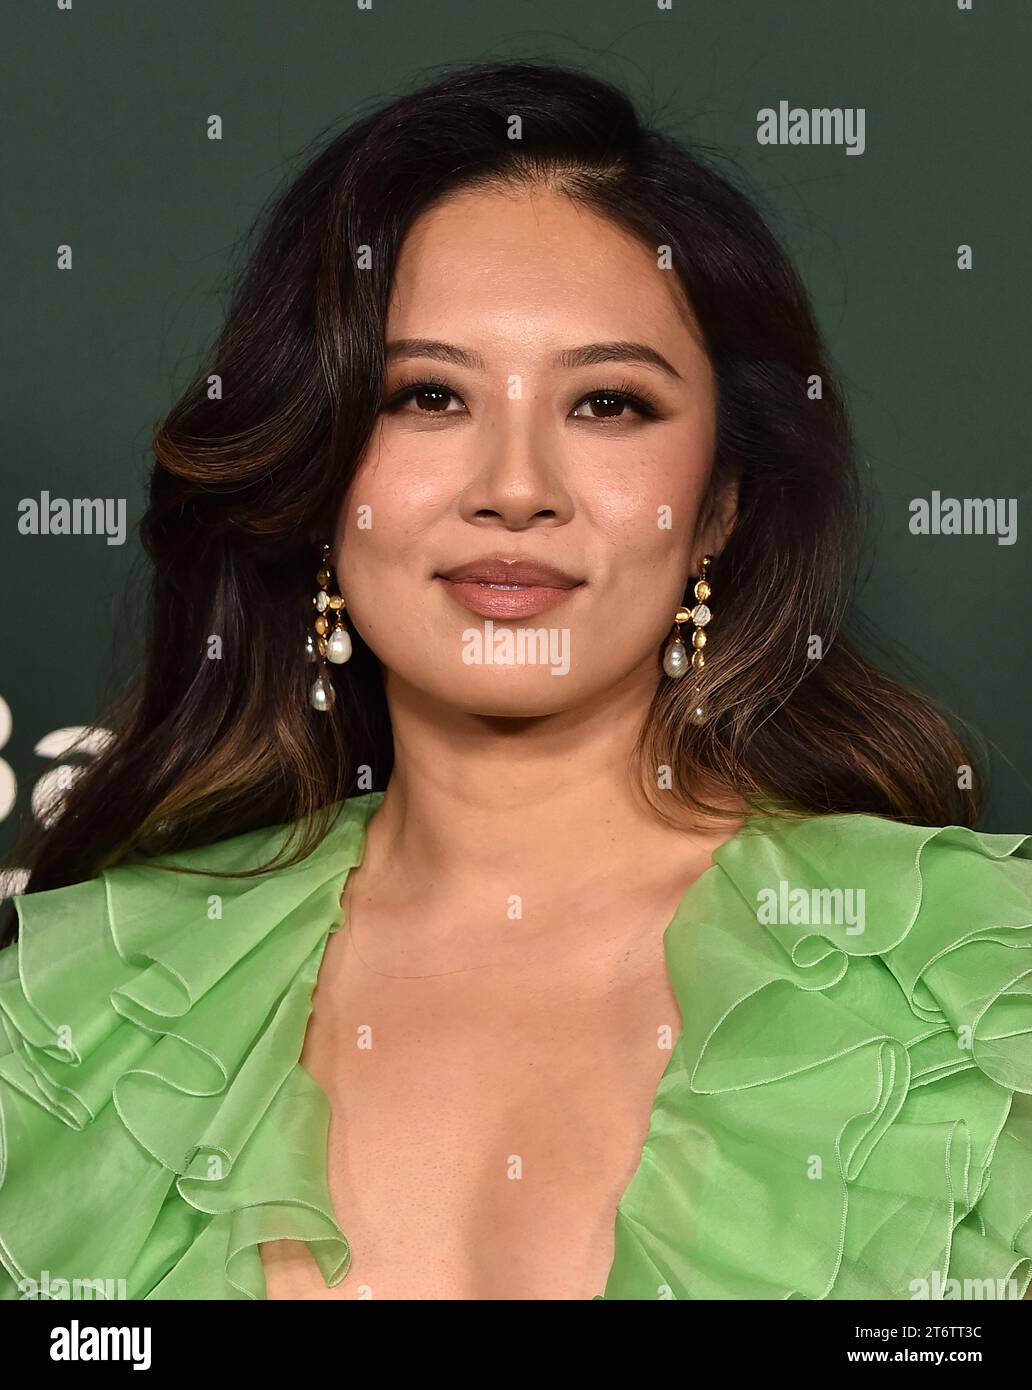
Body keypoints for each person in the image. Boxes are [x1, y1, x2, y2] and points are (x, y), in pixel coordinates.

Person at [1, 60, 1029, 1302]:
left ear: (718, 511)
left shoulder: (984, 992)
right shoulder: (79, 1016)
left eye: (607, 403)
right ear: (319, 476)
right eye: (427, 394)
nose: (516, 484)